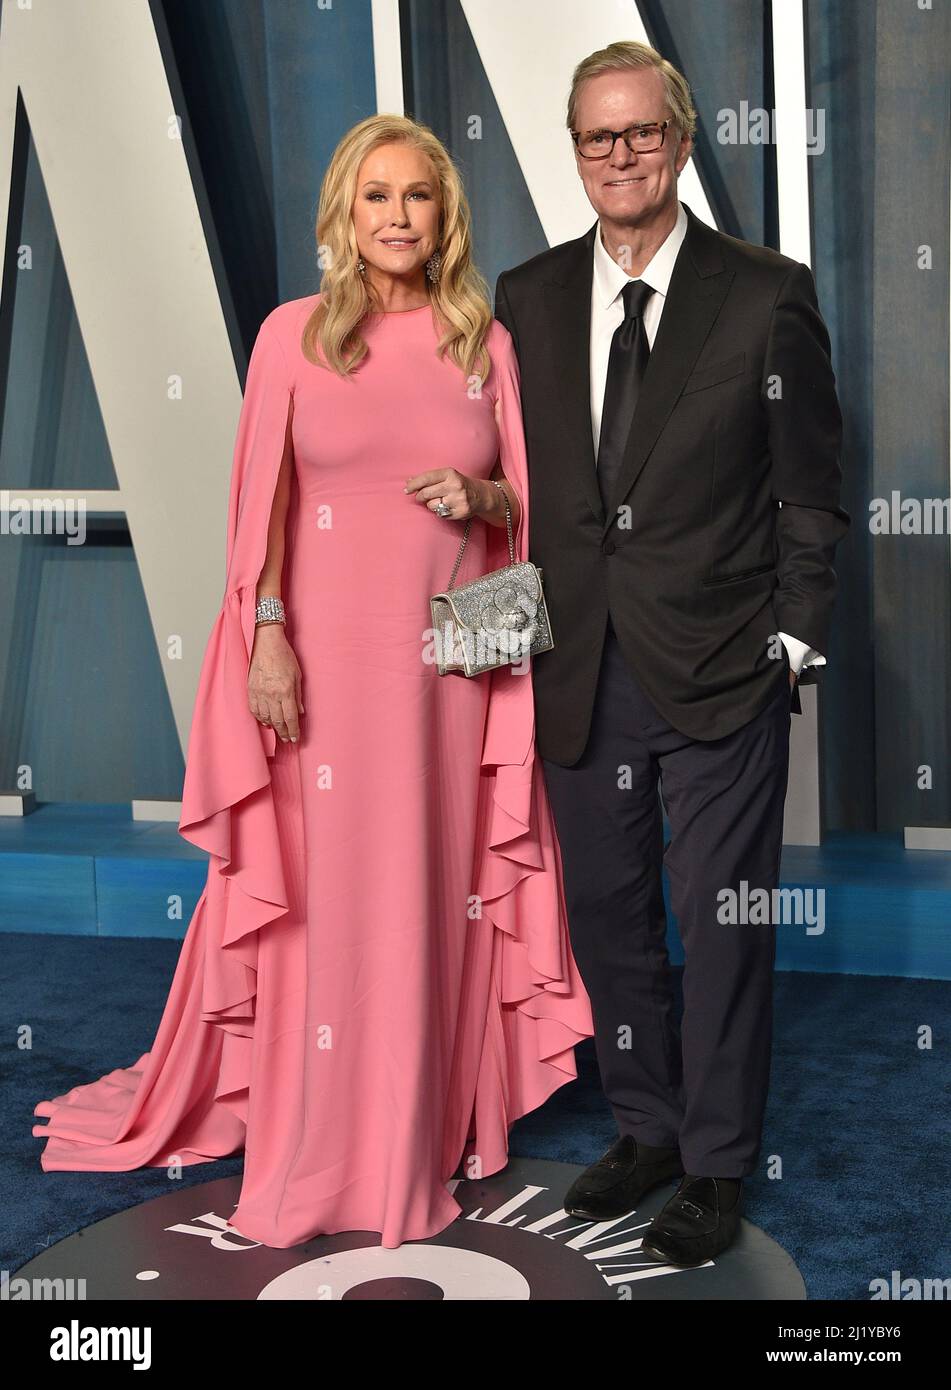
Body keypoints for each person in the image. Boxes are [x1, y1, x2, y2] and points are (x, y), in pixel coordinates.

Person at [32, 113, 593, 1250]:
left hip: (447, 674)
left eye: (418, 197)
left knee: (434, 893)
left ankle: (421, 1128)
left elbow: (528, 514)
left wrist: (476, 500)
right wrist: (268, 639)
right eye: (376, 197)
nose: (398, 217)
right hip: (322, 676)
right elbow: (262, 517)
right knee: (327, 909)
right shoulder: (293, 336)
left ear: (446, 216)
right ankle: (321, 1135)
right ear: (345, 213)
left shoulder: (483, 341)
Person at [494, 40, 849, 1266]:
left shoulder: (764, 292)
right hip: (578, 668)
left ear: (683, 141)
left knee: (721, 920)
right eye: (599, 136)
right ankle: (644, 1128)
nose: (621, 155)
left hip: (722, 670)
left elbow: (812, 489)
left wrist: (791, 643)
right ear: (576, 149)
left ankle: (714, 1159)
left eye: (643, 133)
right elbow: (520, 483)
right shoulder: (527, 299)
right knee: (611, 920)